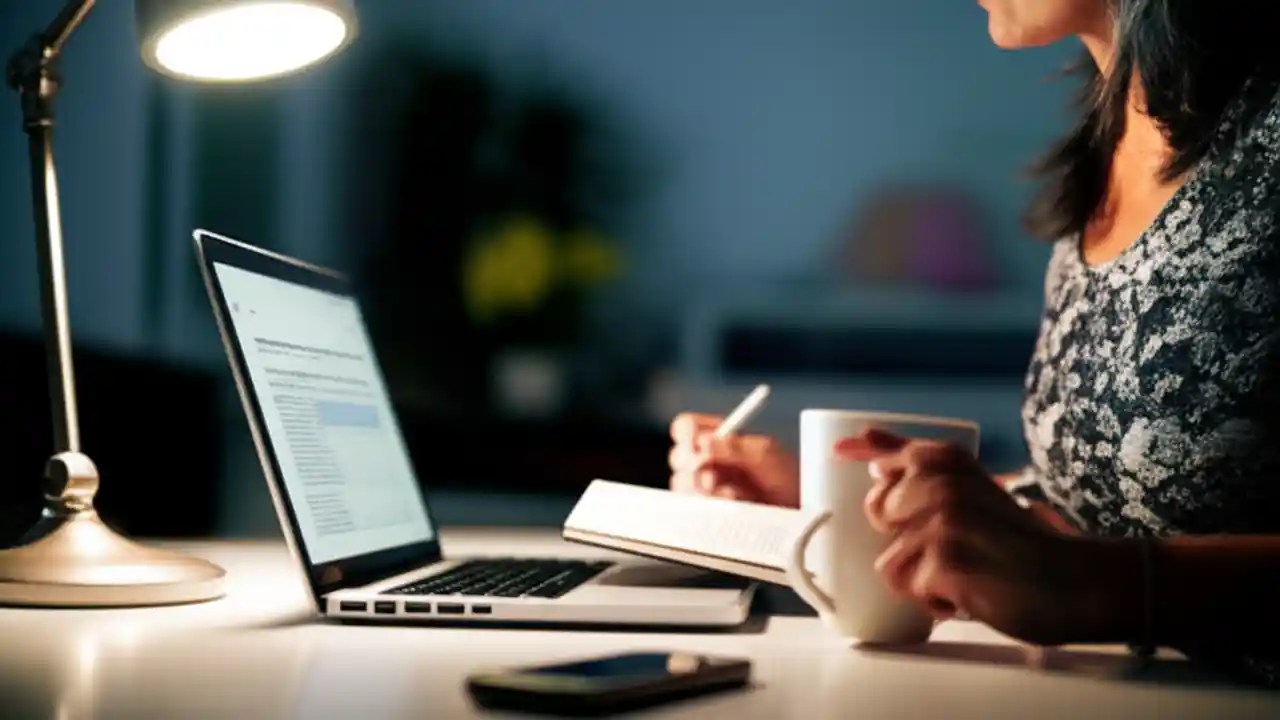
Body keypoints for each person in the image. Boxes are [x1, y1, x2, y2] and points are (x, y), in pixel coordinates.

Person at [669, 0, 1280, 684]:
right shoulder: (1109, 150)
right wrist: (846, 506)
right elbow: (1098, 508)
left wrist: (1103, 587)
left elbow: (1092, 567)